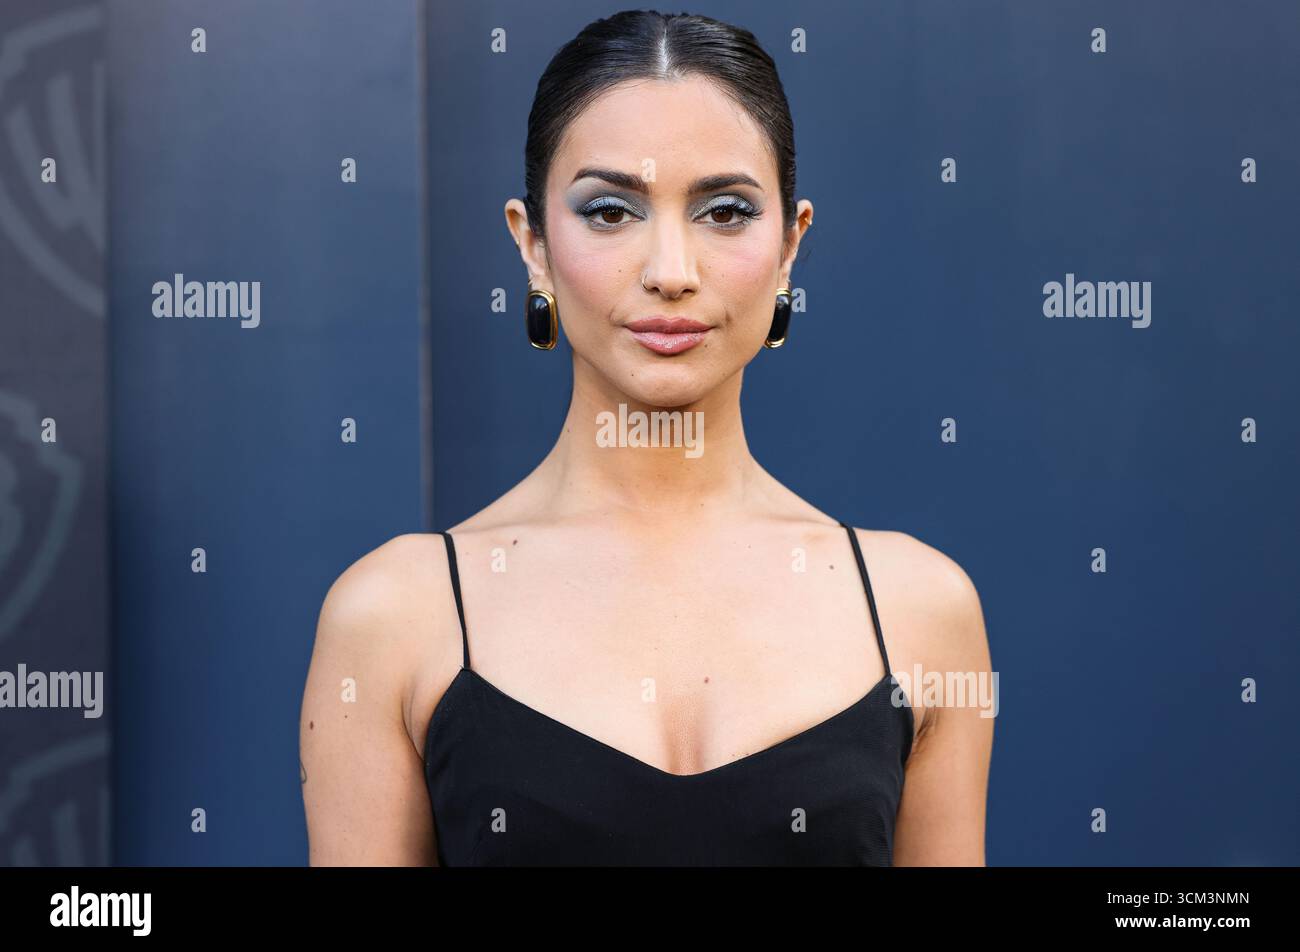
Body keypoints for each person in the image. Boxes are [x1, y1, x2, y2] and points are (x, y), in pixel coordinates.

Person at [301, 9, 992, 866]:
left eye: (726, 211)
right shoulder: (396, 616)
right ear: (533, 245)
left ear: (789, 246)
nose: (671, 271)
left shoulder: (920, 611)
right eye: (610, 210)